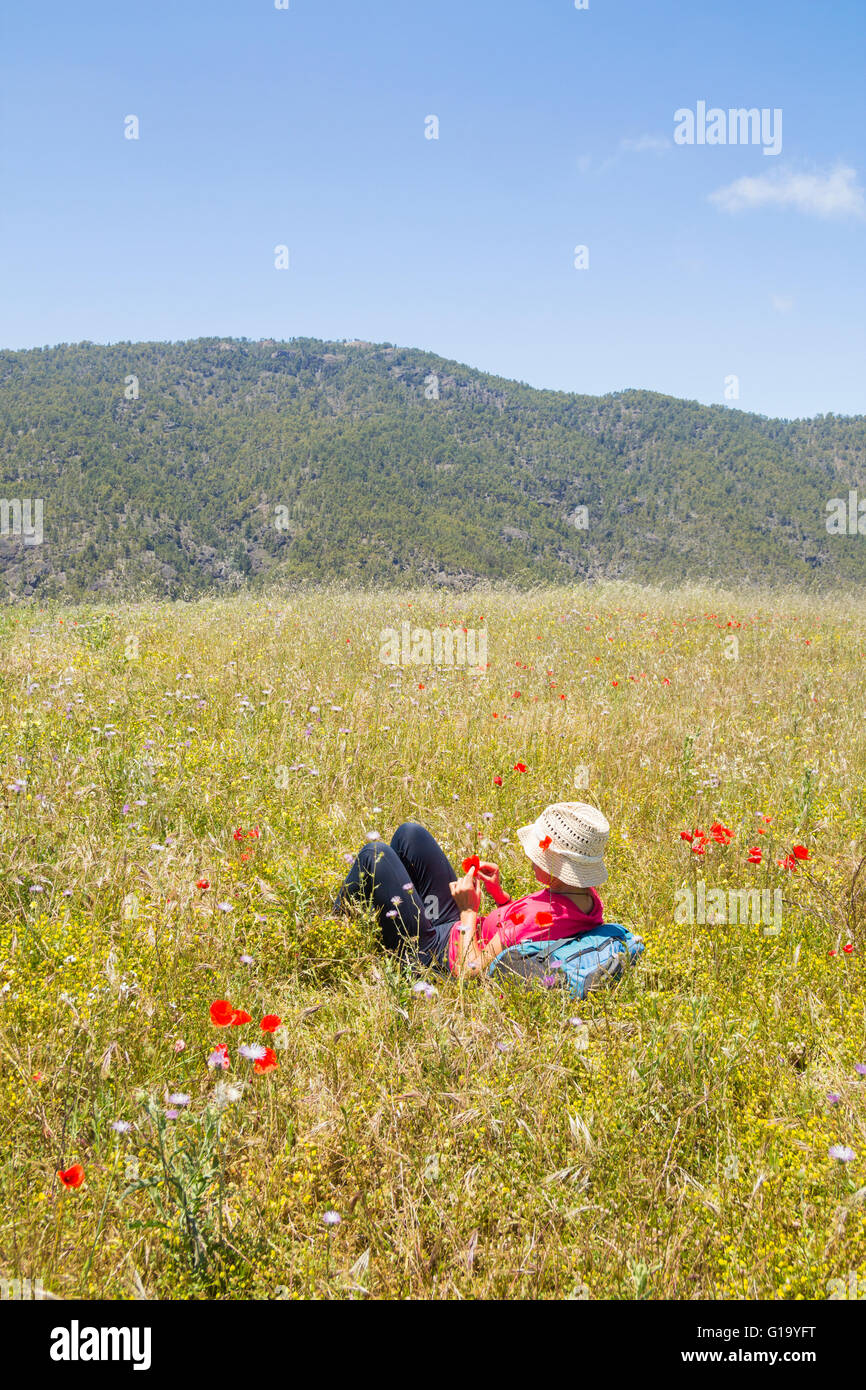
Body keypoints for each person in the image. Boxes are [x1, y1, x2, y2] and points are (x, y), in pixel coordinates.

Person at [334, 802, 609, 980]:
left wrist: (468, 910)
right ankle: (398, 912)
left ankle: (332, 929)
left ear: (555, 866)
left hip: (435, 956)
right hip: (459, 931)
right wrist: (501, 897)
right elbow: (524, 932)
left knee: (375, 854)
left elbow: (471, 970)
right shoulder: (585, 898)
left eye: (537, 852)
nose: (530, 856)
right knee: (411, 834)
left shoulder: (541, 918)